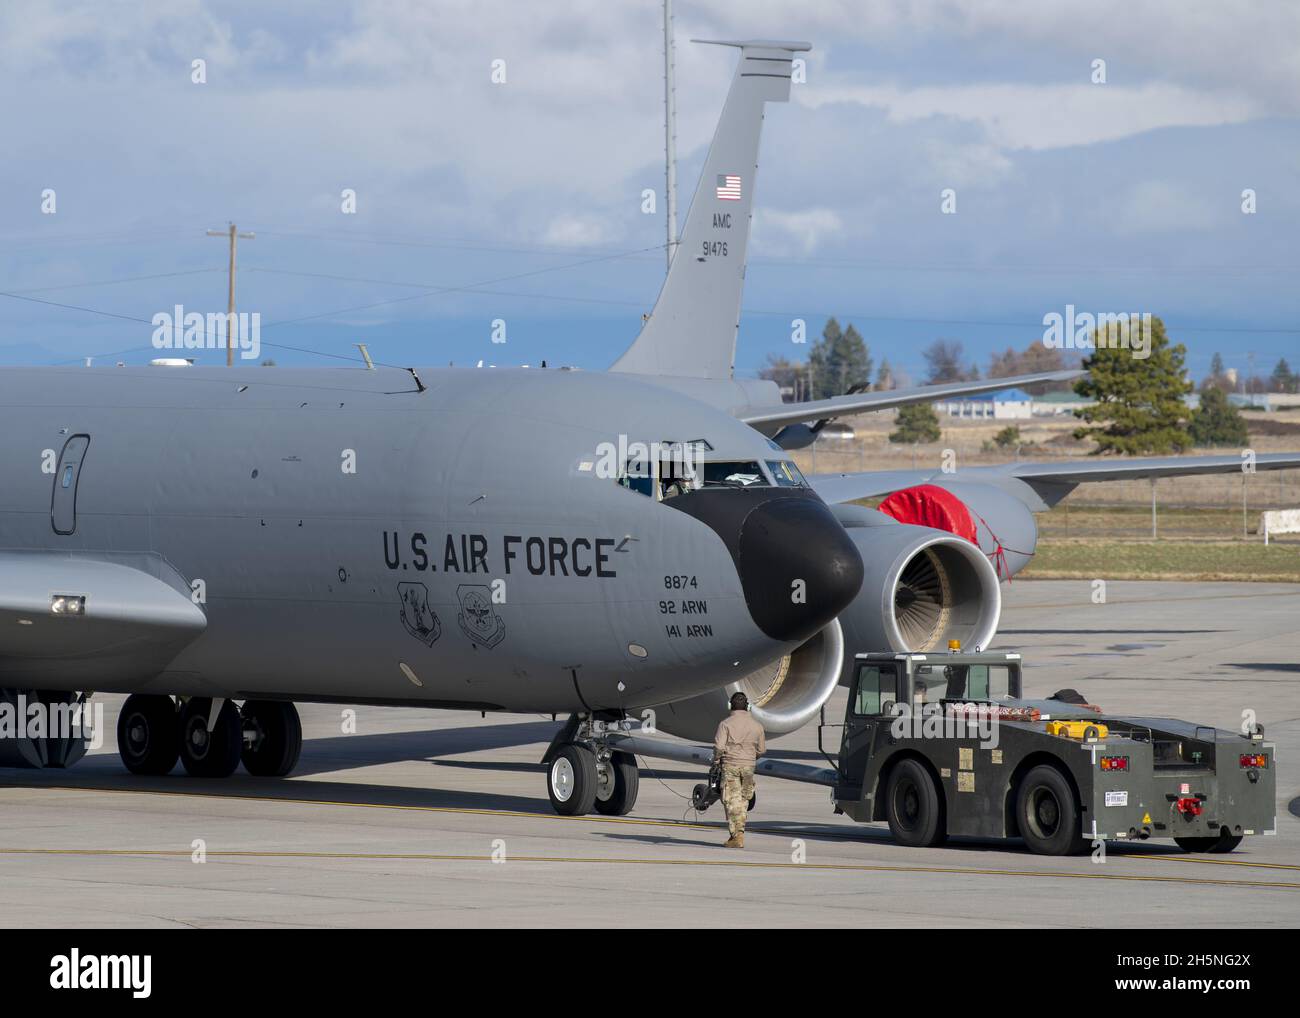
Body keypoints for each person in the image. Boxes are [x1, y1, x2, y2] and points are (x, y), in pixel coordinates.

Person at [712, 691, 766, 848]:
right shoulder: (757, 726)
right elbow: (762, 750)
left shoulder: (725, 724)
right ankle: (736, 834)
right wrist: (750, 758)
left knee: (731, 800)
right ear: (748, 707)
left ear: (730, 706)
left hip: (730, 765)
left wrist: (716, 760)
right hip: (749, 767)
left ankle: (738, 836)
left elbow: (719, 747)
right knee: (743, 800)